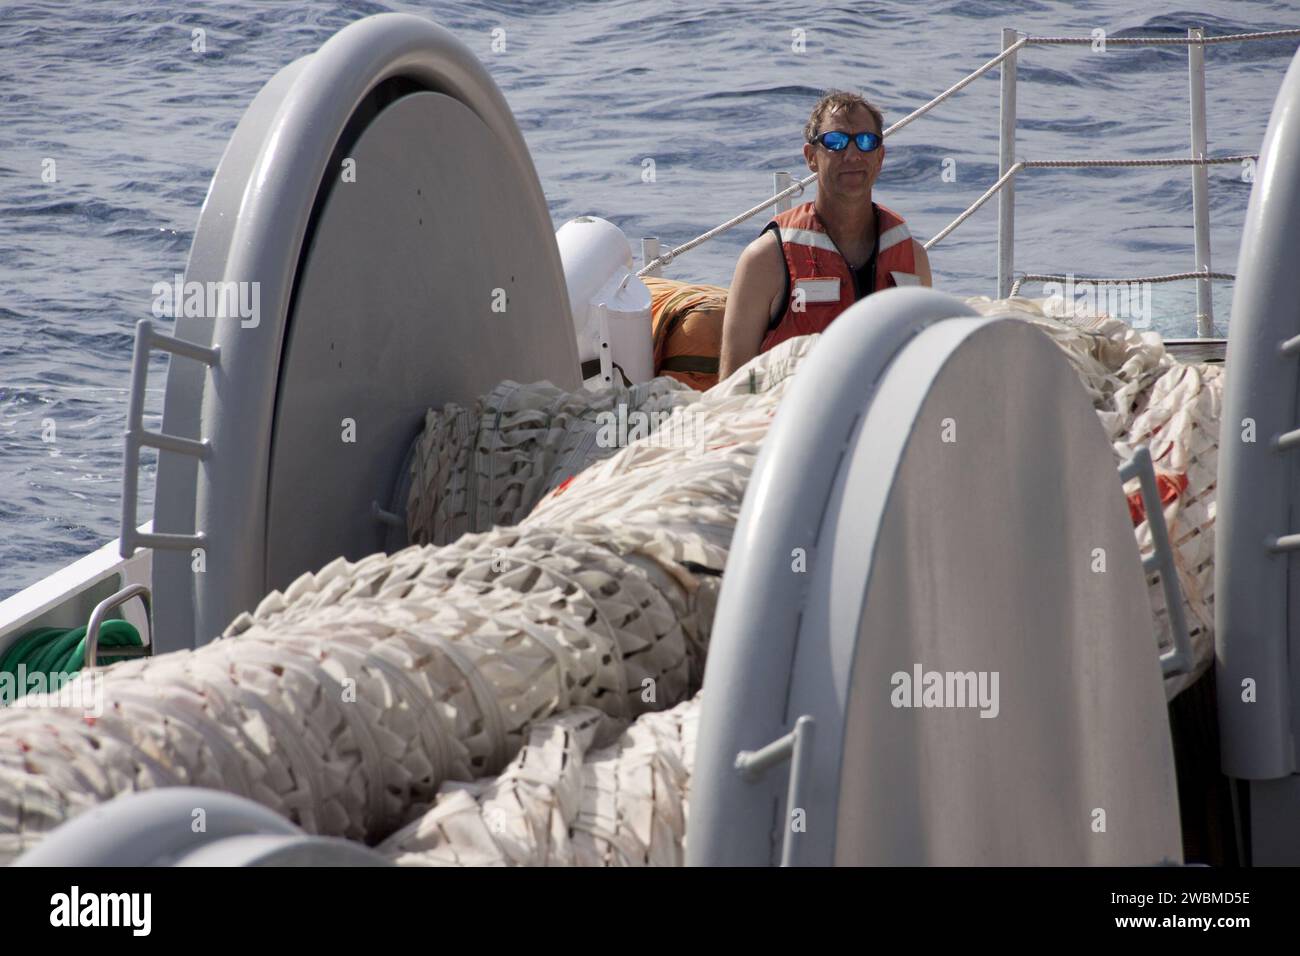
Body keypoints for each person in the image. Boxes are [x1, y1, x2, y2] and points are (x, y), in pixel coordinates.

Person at [718, 91, 932, 379]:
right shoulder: (765, 260)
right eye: (836, 142)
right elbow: (731, 388)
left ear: (880, 157)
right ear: (811, 158)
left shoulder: (913, 259)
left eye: (867, 142)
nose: (853, 154)